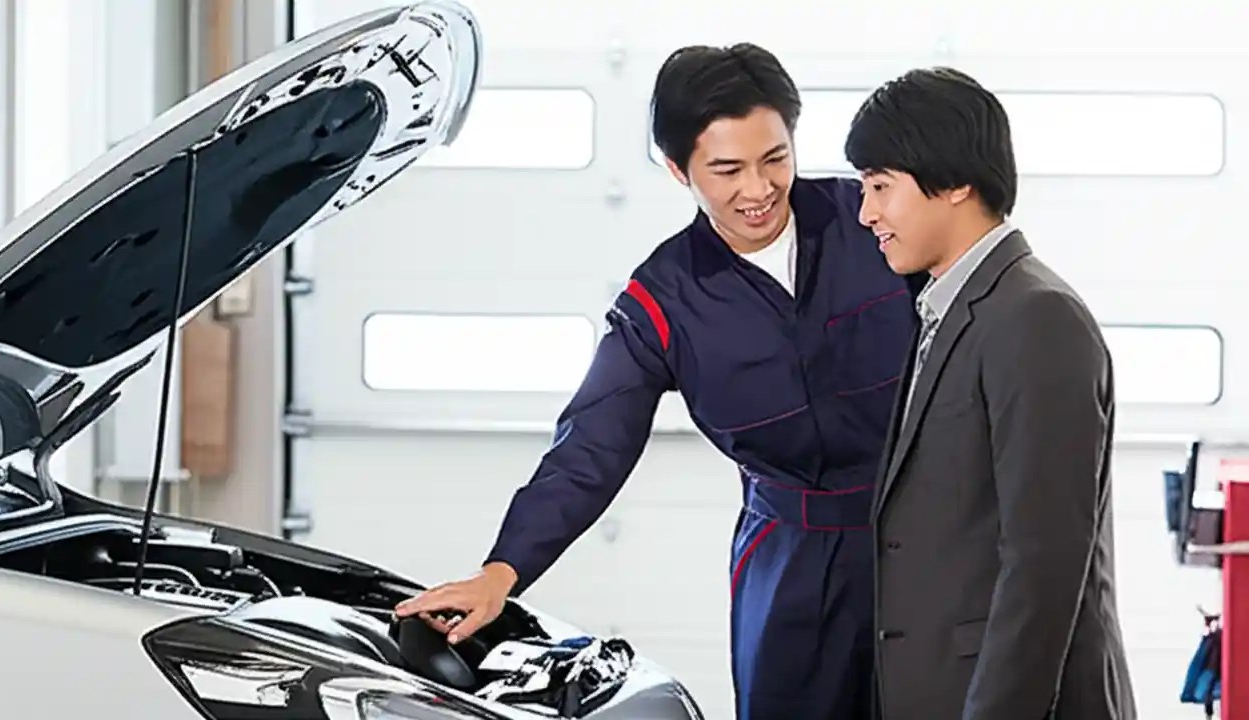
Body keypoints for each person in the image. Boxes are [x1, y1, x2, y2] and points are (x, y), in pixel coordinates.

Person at [395, 43, 921, 720]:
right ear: (678, 170)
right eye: (726, 169)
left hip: (925, 537)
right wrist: (502, 572)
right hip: (789, 565)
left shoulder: (875, 224)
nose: (758, 190)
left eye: (775, 159)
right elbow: (590, 447)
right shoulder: (663, 301)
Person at [844, 66, 1137, 719]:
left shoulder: (1036, 316)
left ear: (953, 182)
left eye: (881, 186)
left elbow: (1043, 563)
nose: (867, 214)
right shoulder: (948, 309)